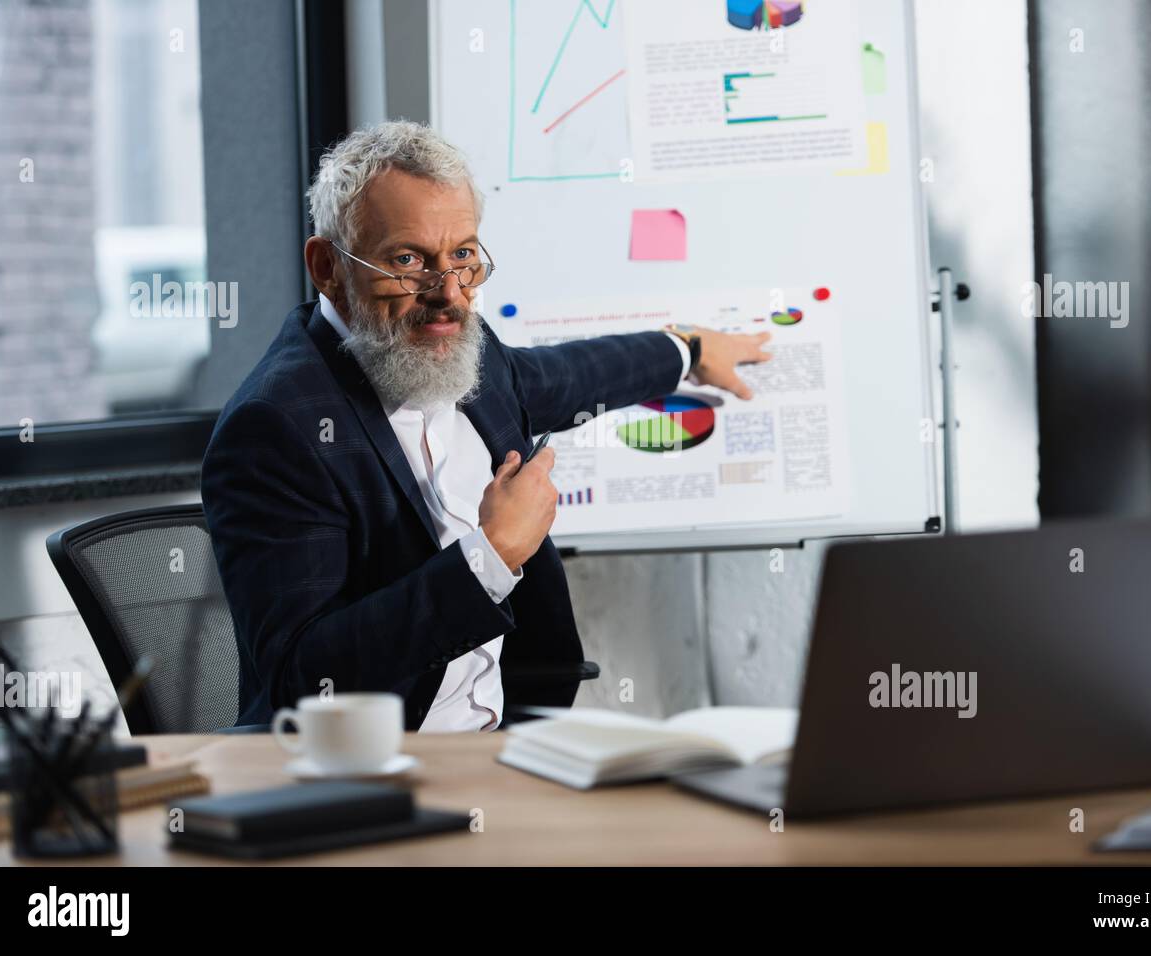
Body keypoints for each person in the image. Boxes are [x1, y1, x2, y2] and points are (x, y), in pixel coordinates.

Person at [201, 121, 771, 731]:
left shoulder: (460, 348)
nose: (449, 292)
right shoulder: (275, 428)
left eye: (465, 256)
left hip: (508, 738)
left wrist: (686, 349)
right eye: (408, 259)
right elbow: (304, 681)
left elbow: (565, 377)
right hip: (374, 773)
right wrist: (493, 554)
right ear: (328, 268)